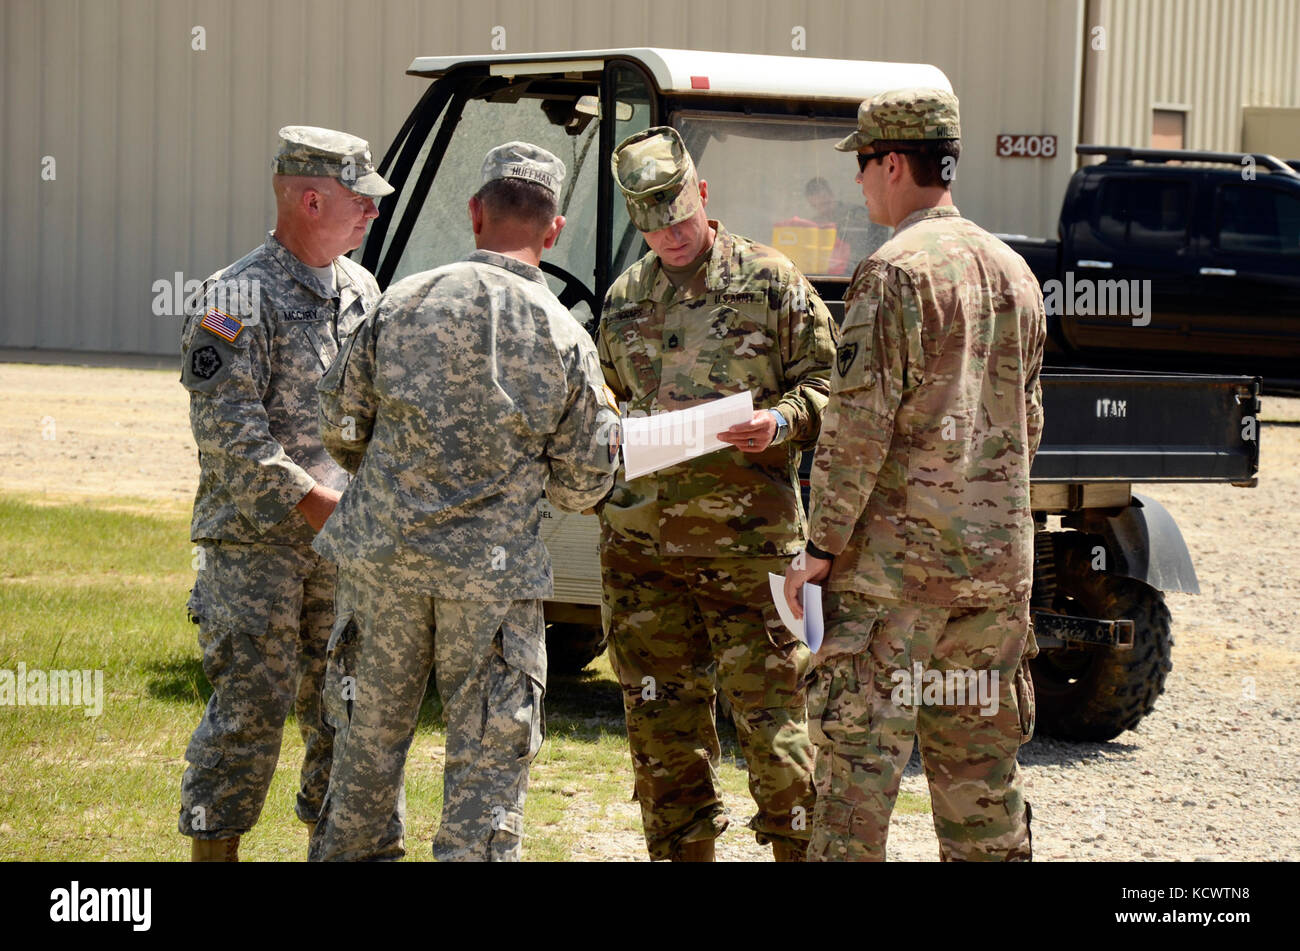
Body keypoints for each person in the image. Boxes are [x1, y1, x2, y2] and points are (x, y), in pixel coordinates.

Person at [309, 142, 619, 862]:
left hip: (382, 565)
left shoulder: (398, 301)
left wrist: (399, 482)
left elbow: (342, 428)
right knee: (485, 777)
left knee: (360, 761)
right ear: (555, 229)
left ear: (475, 213)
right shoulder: (566, 337)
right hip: (493, 581)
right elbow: (583, 482)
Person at [784, 88, 1047, 862]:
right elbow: (1028, 426)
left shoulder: (892, 273)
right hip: (994, 580)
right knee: (982, 791)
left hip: (892, 586)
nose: (860, 185)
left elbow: (855, 429)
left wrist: (819, 550)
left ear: (893, 162)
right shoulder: (1015, 272)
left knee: (853, 797)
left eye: (863, 166)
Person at [596, 126, 835, 862]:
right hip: (645, 559)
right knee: (662, 732)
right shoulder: (624, 299)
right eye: (648, 223)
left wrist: (782, 421)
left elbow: (833, 387)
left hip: (749, 555)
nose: (666, 235)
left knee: (776, 728)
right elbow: (603, 404)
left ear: (703, 195)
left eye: (676, 217)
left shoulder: (771, 282)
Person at [178, 125, 391, 861]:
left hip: (343, 550)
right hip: (254, 550)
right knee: (246, 718)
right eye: (359, 201)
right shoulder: (234, 295)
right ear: (310, 198)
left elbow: (379, 414)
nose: (371, 214)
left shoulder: (364, 291)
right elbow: (227, 432)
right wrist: (312, 500)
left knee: (343, 716)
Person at [804, 176, 892, 274]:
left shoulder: (857, 214)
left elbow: (877, 241)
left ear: (831, 195)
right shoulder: (814, 225)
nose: (823, 210)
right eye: (817, 206)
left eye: (824, 203)